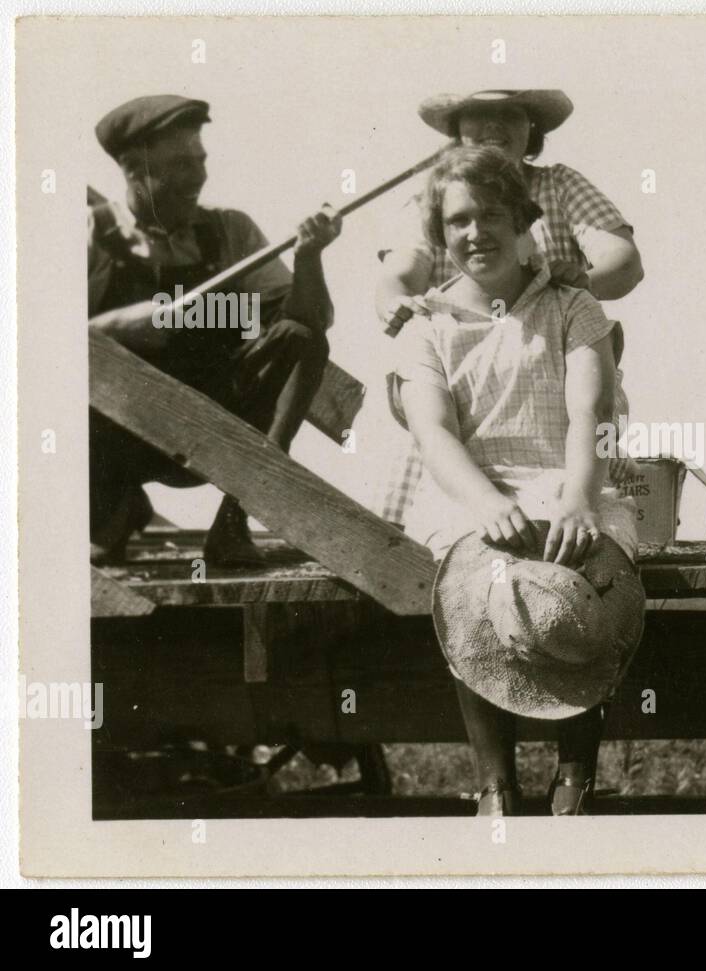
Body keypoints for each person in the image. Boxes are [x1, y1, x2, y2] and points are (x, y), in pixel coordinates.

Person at [391, 144, 643, 816]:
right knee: (478, 568)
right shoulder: (427, 325)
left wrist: (580, 499)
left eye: (491, 214)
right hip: (469, 489)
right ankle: (495, 780)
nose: (476, 233)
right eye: (458, 221)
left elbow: (590, 413)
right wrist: (485, 503)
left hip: (567, 478)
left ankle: (575, 772)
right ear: (441, 235)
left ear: (523, 218)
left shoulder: (572, 307)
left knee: (580, 562)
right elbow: (434, 431)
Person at [88, 94, 341, 565]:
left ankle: (234, 518)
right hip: (120, 441)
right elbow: (31, 347)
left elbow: (309, 323)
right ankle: (112, 506)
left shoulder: (229, 232)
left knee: (301, 340)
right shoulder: (90, 236)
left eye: (200, 161)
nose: (199, 177)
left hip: (215, 433)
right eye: (181, 164)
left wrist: (309, 260)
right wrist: (114, 327)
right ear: (129, 167)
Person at [374, 89, 644, 529]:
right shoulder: (438, 195)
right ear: (457, 129)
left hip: (553, 383)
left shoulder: (557, 184)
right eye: (479, 115)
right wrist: (396, 303)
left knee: (583, 489)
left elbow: (624, 261)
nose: (494, 126)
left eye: (510, 114)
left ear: (531, 128)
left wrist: (575, 283)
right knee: (425, 462)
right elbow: (402, 270)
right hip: (461, 385)